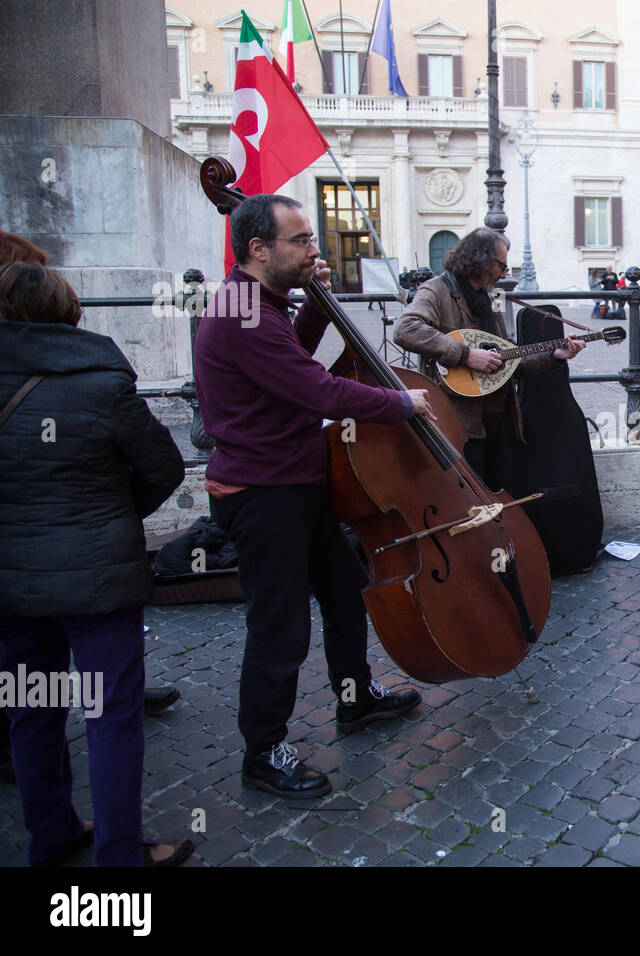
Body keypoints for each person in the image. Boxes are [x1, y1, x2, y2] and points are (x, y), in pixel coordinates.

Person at [194, 193, 431, 799]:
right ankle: (263, 750)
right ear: (257, 249)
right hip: (263, 490)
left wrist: (319, 310)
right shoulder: (243, 312)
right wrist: (400, 403)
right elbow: (314, 388)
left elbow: (291, 358)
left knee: (346, 592)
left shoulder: (262, 304)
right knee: (279, 627)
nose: (313, 250)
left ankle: (355, 700)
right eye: (300, 240)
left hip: (296, 480)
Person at [0, 262, 192, 865]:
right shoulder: (101, 380)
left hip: (14, 580)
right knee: (110, 716)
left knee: (31, 710)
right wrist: (111, 517)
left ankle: (51, 837)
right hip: (96, 579)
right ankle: (118, 855)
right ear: (67, 310)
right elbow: (163, 467)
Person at [395, 228, 585, 494]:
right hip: (462, 422)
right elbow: (406, 329)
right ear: (480, 259)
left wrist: (554, 356)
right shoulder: (436, 290)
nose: (504, 274)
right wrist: (466, 355)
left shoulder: (490, 300)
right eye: (501, 265)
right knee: (469, 500)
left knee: (500, 496)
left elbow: (507, 360)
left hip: (501, 416)